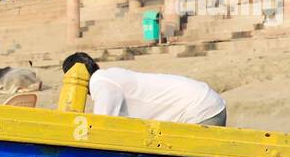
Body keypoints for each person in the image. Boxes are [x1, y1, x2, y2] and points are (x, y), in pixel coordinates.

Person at [61, 52, 227, 126]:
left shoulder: (101, 81)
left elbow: (101, 125)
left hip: (200, 110)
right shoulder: (110, 76)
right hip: (206, 103)